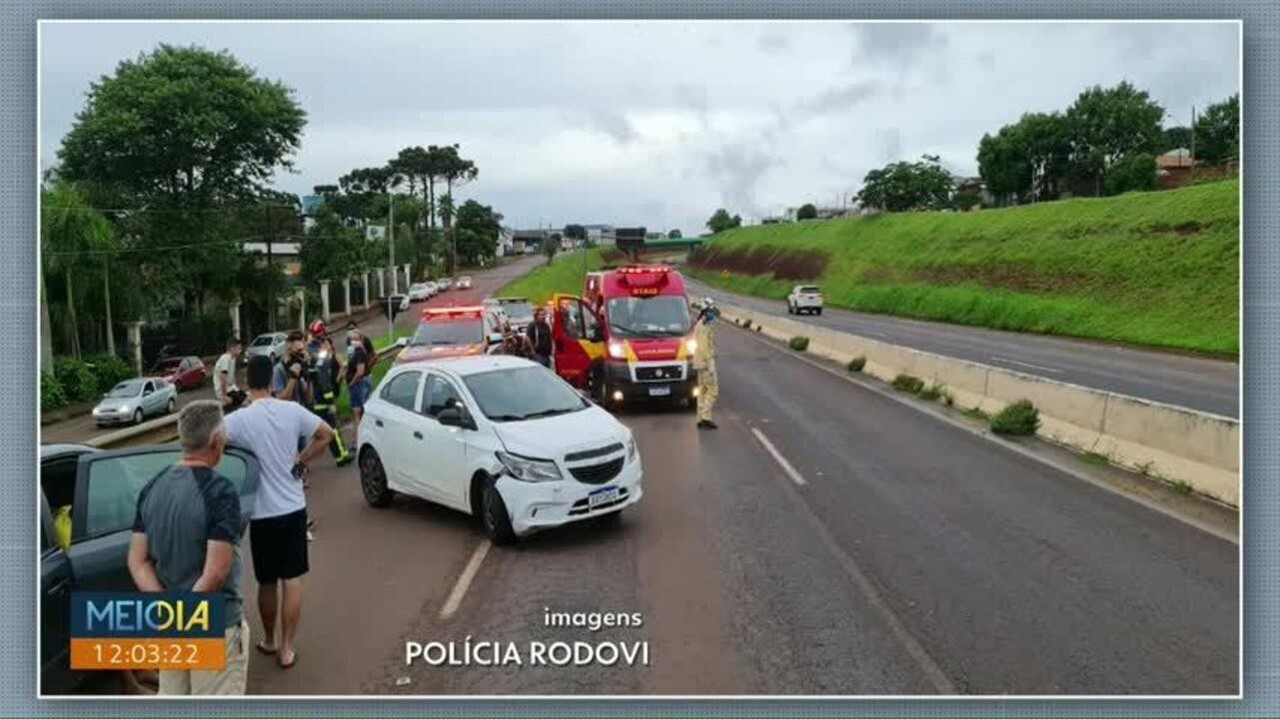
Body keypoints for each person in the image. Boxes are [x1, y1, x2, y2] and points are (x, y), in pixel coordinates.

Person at [127, 400, 249, 695]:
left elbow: (137, 560)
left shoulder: (153, 486)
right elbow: (215, 574)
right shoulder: (220, 492)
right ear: (216, 441)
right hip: (215, 623)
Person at [225, 355, 334, 671]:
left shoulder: (240, 420)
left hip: (261, 513)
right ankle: (288, 649)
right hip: (293, 507)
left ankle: (271, 640)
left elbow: (210, 440)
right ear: (272, 382)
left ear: (248, 383)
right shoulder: (292, 411)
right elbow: (326, 434)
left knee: (267, 582)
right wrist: (301, 461)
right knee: (293, 579)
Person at [310, 334, 352, 467]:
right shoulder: (322, 362)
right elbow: (325, 383)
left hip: (317, 401)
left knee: (323, 431)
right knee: (333, 430)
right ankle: (341, 456)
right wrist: (330, 403)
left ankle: (339, 454)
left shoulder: (314, 361)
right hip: (324, 402)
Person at [692, 298, 720, 430]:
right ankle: (706, 417)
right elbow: (703, 347)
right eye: (711, 311)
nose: (713, 313)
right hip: (705, 362)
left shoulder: (702, 324)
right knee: (713, 390)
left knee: (702, 390)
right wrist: (710, 363)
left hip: (700, 362)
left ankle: (700, 418)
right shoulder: (702, 326)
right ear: (705, 311)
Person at [273, 331, 313, 407]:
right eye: (299, 351)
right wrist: (293, 377)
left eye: (304, 351)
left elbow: (309, 400)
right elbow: (281, 400)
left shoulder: (301, 366)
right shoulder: (278, 370)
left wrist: (310, 380)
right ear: (288, 349)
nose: (303, 355)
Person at [344, 325, 373, 427]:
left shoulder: (359, 352)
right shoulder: (357, 351)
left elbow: (360, 372)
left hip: (358, 384)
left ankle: (359, 437)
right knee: (364, 410)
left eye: (351, 339)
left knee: (357, 412)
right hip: (362, 381)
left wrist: (351, 383)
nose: (350, 342)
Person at [214, 338, 245, 410]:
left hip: (231, 388)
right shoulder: (225, 358)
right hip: (224, 391)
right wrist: (224, 396)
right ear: (232, 348)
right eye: (239, 348)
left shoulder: (233, 358)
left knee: (248, 397)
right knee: (245, 403)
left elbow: (231, 377)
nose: (241, 350)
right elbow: (223, 378)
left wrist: (237, 388)